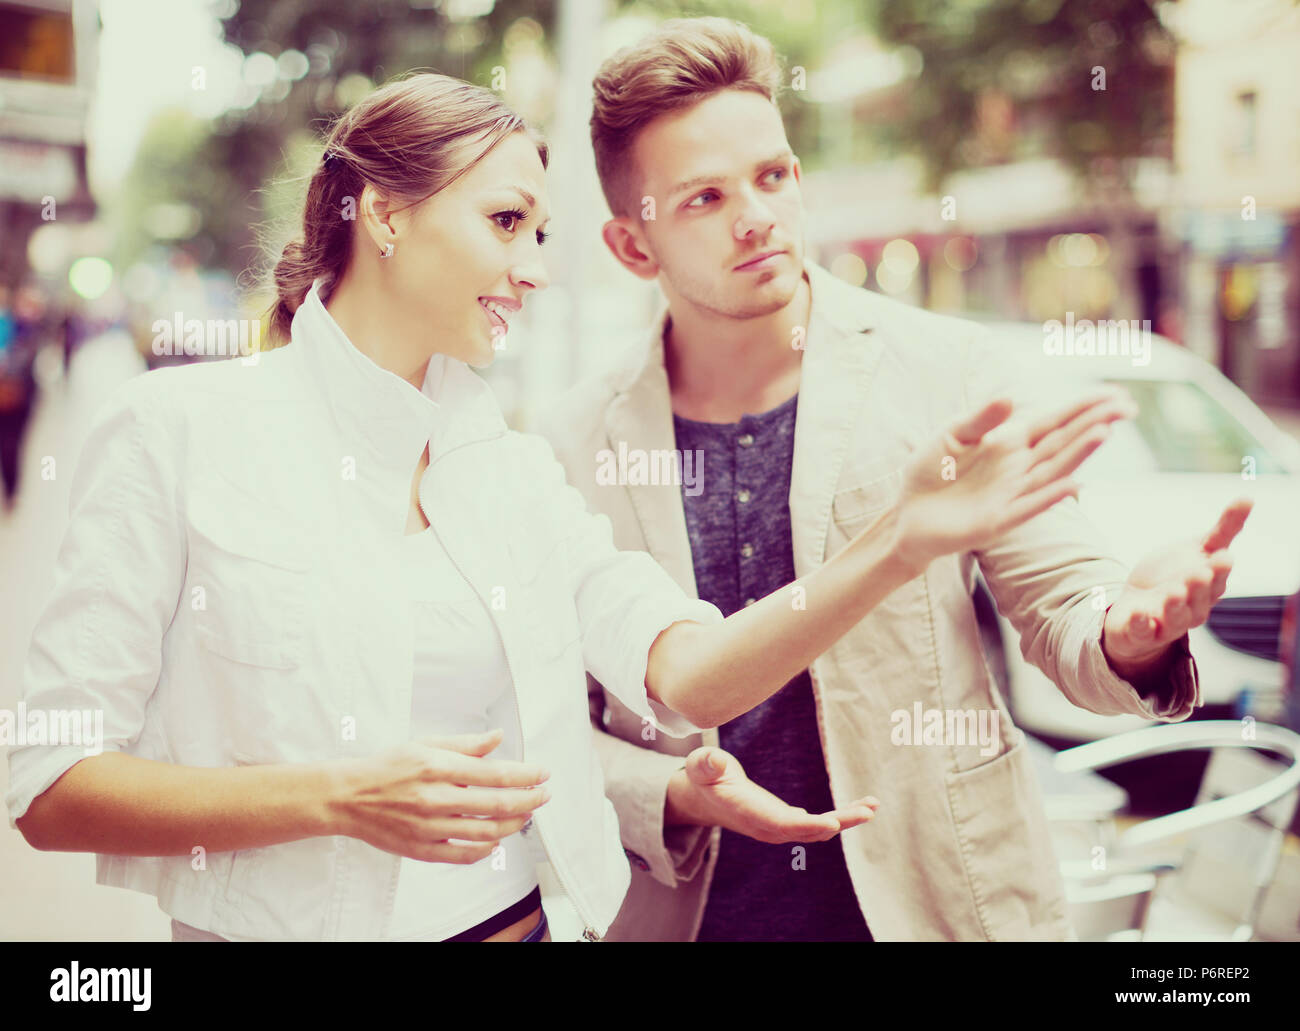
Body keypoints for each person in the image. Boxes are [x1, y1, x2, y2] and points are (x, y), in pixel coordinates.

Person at [7, 72, 1126, 943]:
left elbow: (690, 672)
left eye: (541, 232)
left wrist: (895, 546)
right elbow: (49, 784)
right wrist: (339, 796)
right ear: (385, 216)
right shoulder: (180, 430)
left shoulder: (503, 461)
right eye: (505, 223)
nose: (534, 268)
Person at [535, 17, 1254, 941]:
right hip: (685, 916)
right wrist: (664, 790)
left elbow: (1066, 610)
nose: (757, 214)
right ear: (634, 248)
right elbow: (548, 722)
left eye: (773, 174)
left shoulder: (947, 372)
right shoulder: (569, 441)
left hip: (934, 904)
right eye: (703, 198)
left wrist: (1133, 632)